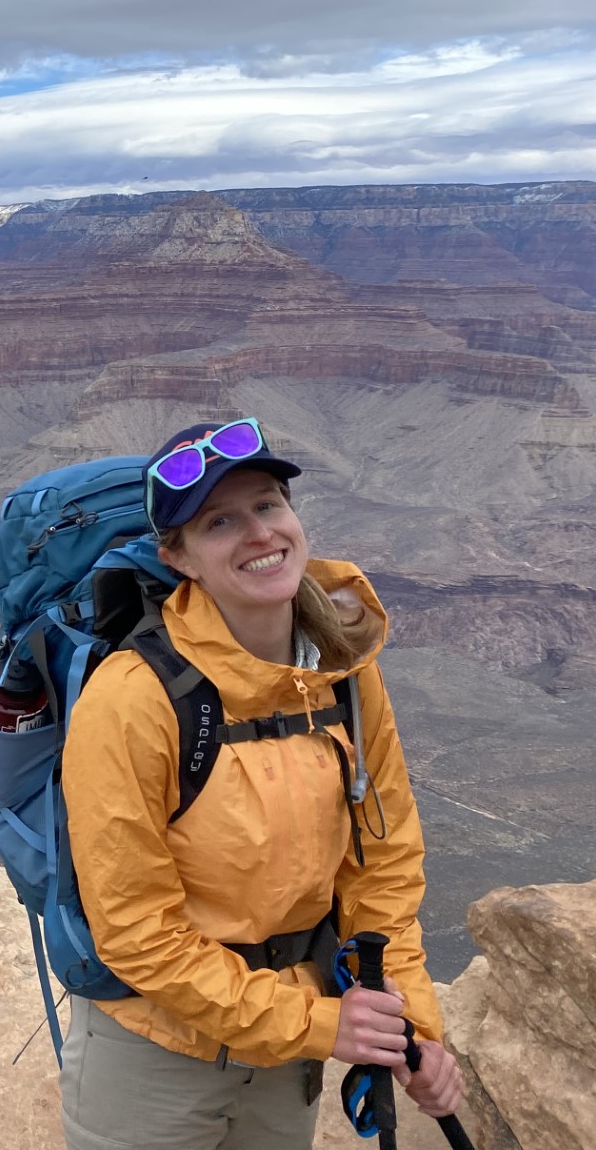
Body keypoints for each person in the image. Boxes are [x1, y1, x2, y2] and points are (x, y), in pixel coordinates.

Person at [58, 418, 465, 1150]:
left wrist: (413, 1027)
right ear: (177, 557)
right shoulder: (133, 700)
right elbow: (136, 933)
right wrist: (317, 1023)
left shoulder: (344, 676)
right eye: (219, 521)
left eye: (269, 505)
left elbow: (383, 876)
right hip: (155, 1061)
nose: (257, 534)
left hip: (287, 1058)